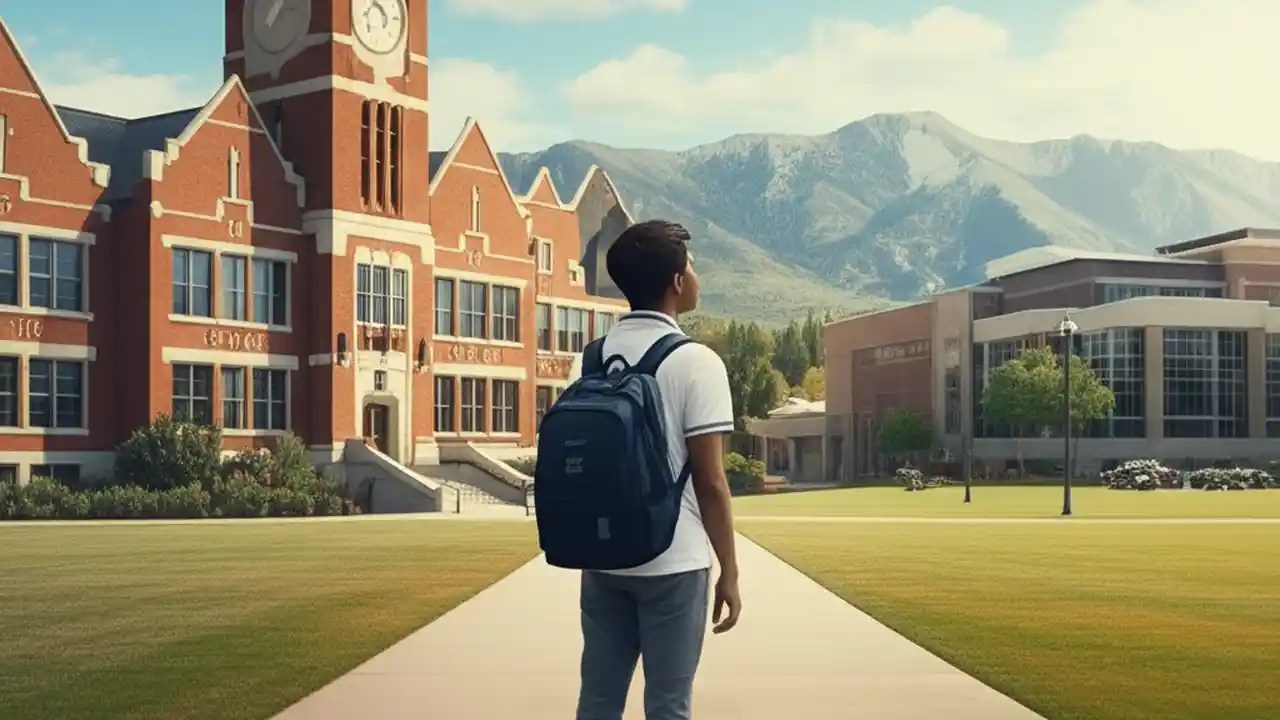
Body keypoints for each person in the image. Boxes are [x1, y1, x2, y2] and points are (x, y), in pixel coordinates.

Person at [576, 219, 741, 720]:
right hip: (674, 559)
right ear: (675, 282)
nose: (695, 275)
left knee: (599, 701)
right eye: (690, 267)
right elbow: (711, 483)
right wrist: (729, 571)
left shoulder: (592, 358)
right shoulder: (697, 361)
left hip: (602, 557)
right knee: (668, 705)